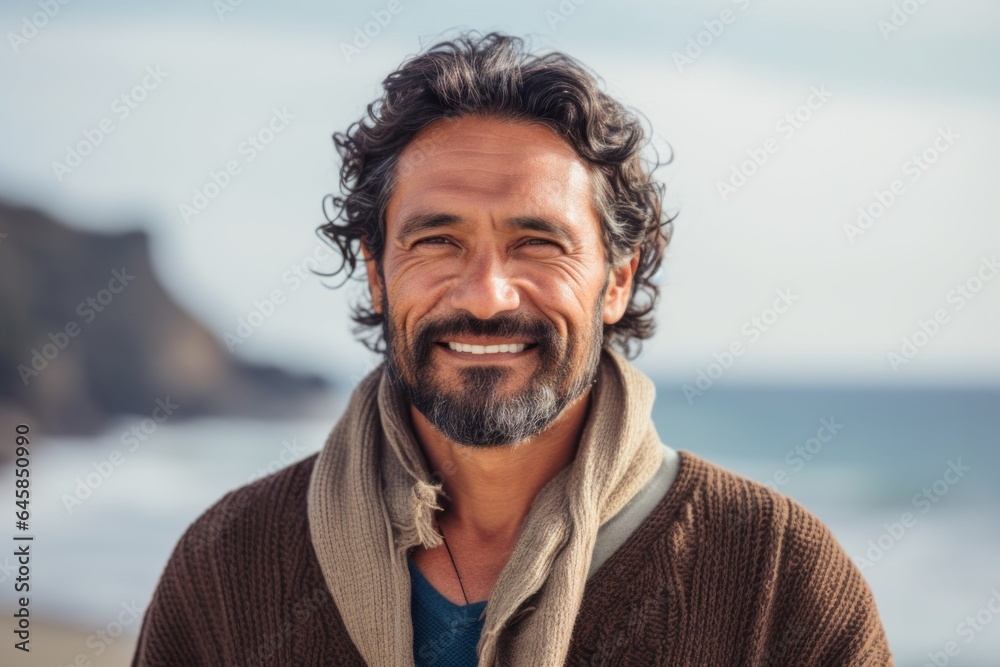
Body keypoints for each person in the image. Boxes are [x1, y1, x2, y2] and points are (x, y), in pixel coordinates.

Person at [132, 32, 893, 666]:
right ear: (376, 272)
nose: (487, 295)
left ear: (618, 278)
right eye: (438, 240)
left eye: (538, 242)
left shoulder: (774, 577)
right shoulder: (229, 568)